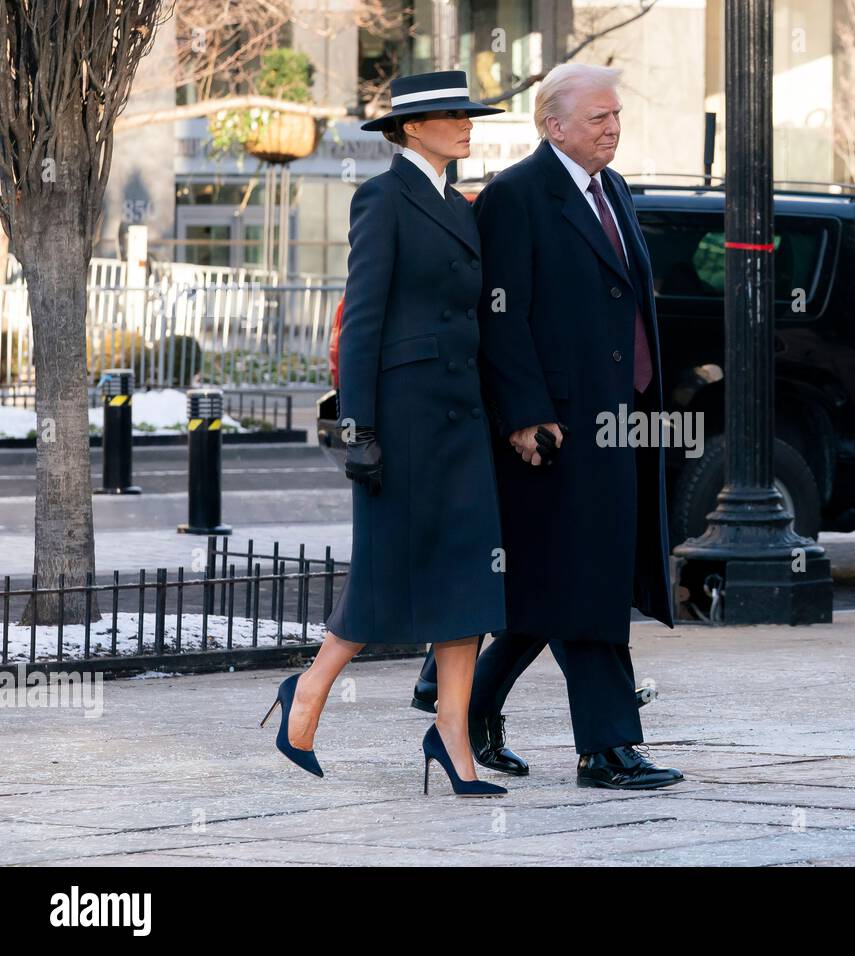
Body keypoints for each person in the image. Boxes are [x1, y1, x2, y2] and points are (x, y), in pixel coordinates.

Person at [416, 63, 684, 789]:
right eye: (598, 118)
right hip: (555, 429)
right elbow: (500, 317)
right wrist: (527, 415)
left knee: (554, 582)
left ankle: (456, 704)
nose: (613, 128)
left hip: (618, 420)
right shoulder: (516, 195)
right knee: (587, 580)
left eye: (617, 115)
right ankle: (608, 748)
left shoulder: (615, 190)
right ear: (553, 125)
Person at [259, 71, 508, 797]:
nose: (466, 124)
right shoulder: (382, 198)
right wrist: (357, 427)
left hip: (464, 420)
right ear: (409, 129)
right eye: (450, 115)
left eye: (467, 113)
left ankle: (454, 738)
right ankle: (305, 695)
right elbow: (362, 318)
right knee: (382, 574)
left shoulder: (459, 206)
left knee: (469, 578)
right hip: (402, 421)